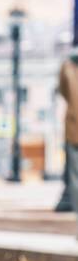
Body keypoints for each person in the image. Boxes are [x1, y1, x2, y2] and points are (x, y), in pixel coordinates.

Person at [58, 47, 78, 233]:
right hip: (73, 130)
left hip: (74, 128)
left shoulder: (68, 66)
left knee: (74, 178)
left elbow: (62, 91)